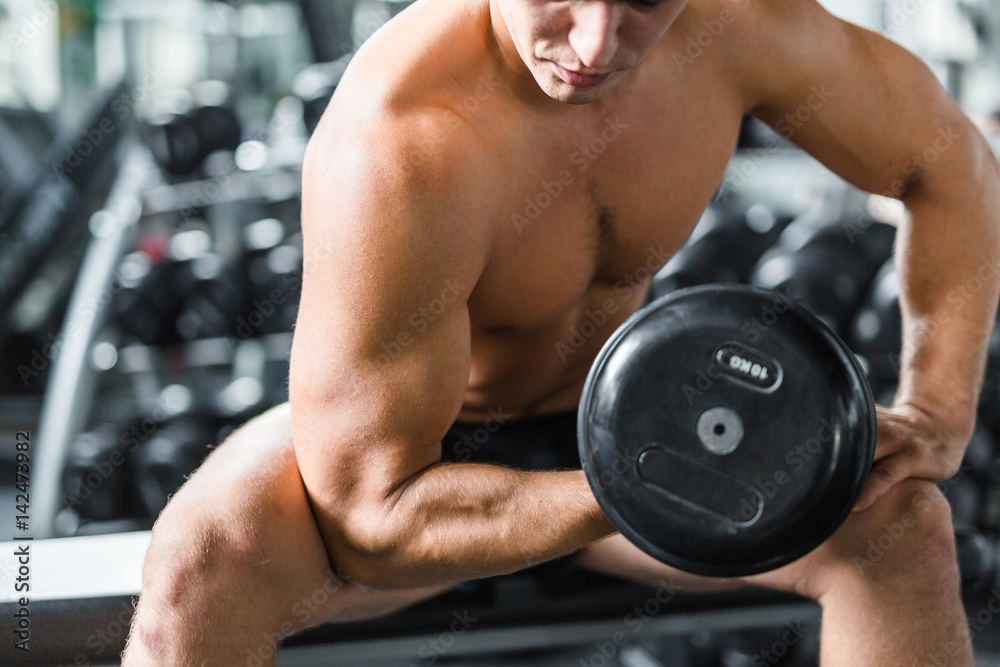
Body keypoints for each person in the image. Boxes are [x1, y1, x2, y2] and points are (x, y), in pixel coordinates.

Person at [123, 0, 1000, 664]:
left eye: (643, 2)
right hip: (429, 459)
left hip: (626, 417)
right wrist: (647, 481)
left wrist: (939, 406)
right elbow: (370, 518)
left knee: (903, 528)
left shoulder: (732, 27)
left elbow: (949, 162)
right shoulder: (399, 139)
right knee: (204, 560)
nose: (596, 44)